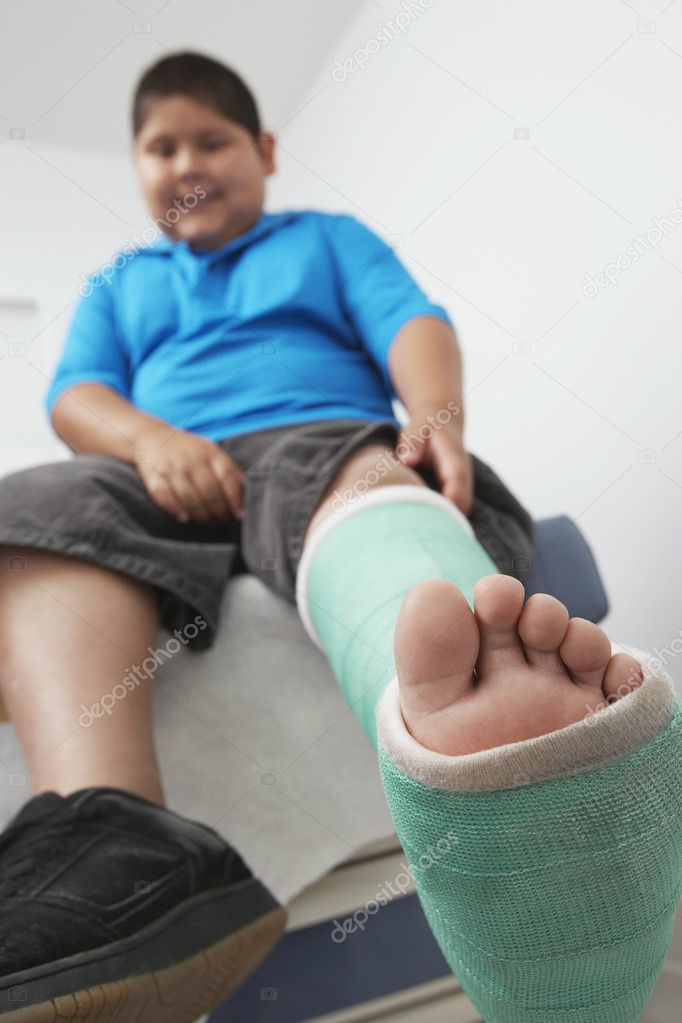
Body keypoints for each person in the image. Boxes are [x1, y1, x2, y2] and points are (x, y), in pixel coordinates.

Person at [0, 50, 678, 1023]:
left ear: (266, 151)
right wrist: (150, 440)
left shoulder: (321, 241)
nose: (186, 161)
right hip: (152, 474)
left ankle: (467, 739)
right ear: (137, 170)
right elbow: (76, 398)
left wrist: (435, 416)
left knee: (364, 472)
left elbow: (412, 324)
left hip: (307, 436)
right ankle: (111, 851)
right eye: (160, 147)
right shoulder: (122, 285)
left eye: (212, 139)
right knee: (34, 512)